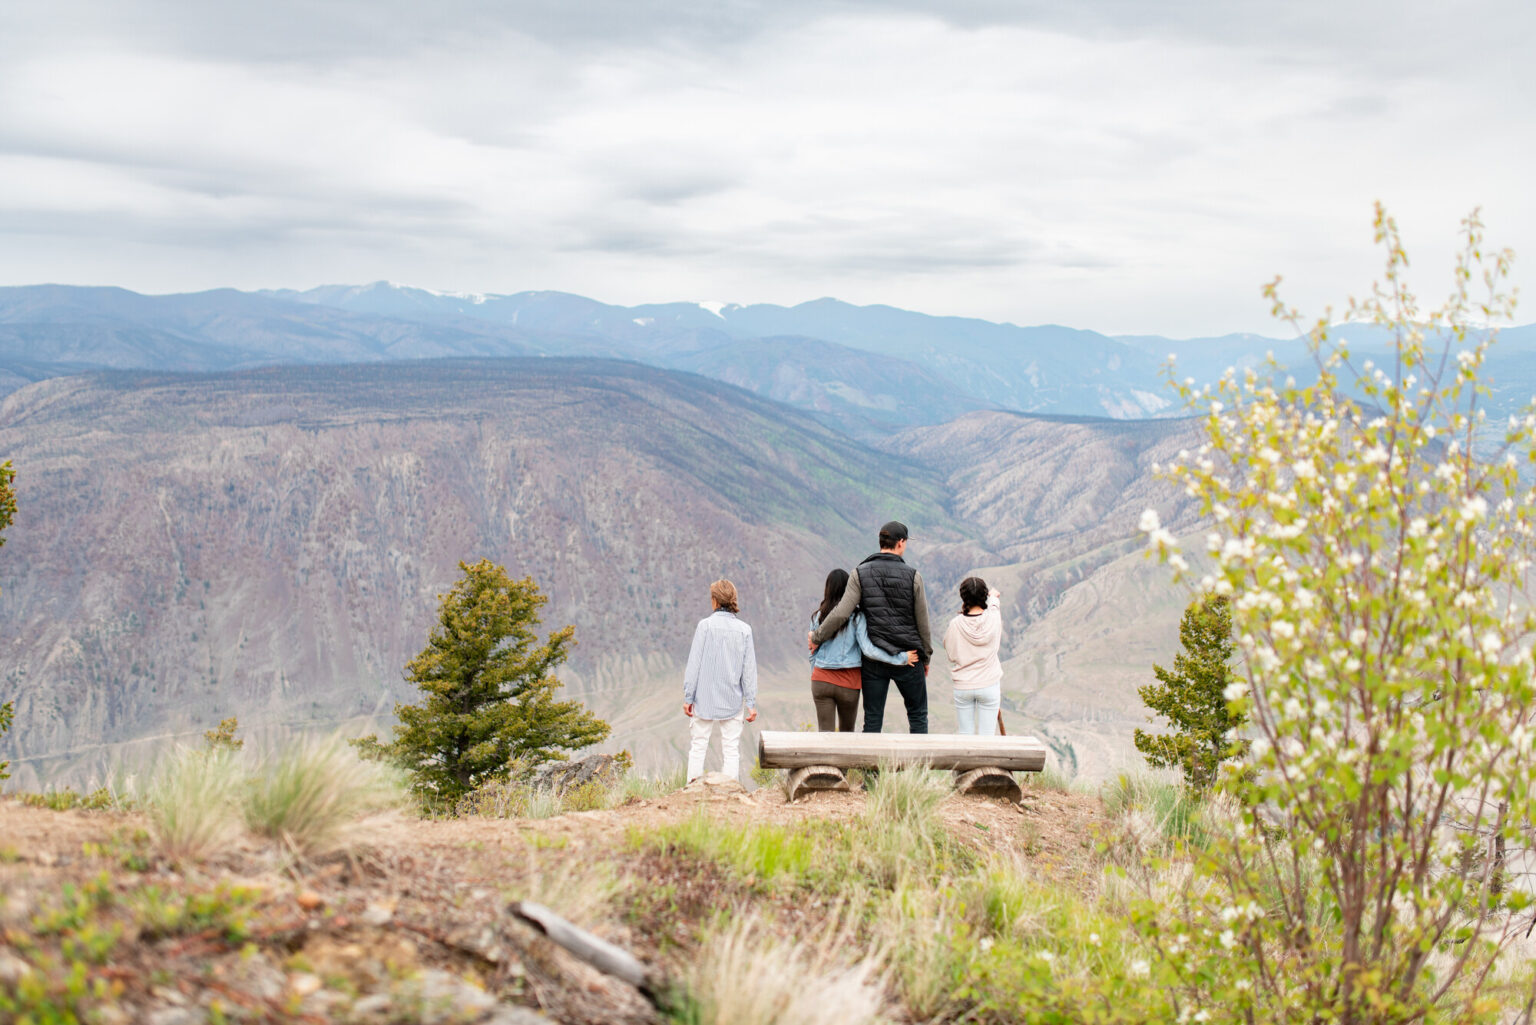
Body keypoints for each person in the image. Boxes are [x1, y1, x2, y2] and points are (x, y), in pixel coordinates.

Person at [808, 521, 934, 734]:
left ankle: (870, 758)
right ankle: (919, 757)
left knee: (873, 720)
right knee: (918, 715)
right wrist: (926, 657)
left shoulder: (859, 573)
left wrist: (817, 636)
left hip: (874, 660)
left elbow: (841, 612)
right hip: (909, 656)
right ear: (900, 543)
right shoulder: (914, 576)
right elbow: (923, 622)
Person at [810, 568, 918, 732]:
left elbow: (812, 652)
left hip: (821, 680)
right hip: (848, 684)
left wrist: (816, 675)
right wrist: (901, 658)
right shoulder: (857, 617)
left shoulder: (818, 616)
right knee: (847, 735)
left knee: (825, 735)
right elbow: (869, 650)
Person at [682, 578, 758, 783]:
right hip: (732, 698)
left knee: (698, 746)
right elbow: (749, 670)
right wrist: (751, 703)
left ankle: (692, 788)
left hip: (703, 698)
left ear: (714, 600)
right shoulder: (744, 630)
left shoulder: (704, 626)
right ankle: (730, 790)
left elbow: (694, 664)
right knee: (731, 749)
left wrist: (688, 697)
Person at [944, 576, 1003, 735]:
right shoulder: (993, 619)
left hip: (963, 684)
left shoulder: (955, 624)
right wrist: (992, 597)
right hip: (989, 682)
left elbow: (951, 654)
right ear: (984, 596)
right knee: (987, 737)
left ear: (963, 597)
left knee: (965, 735)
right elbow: (994, 605)